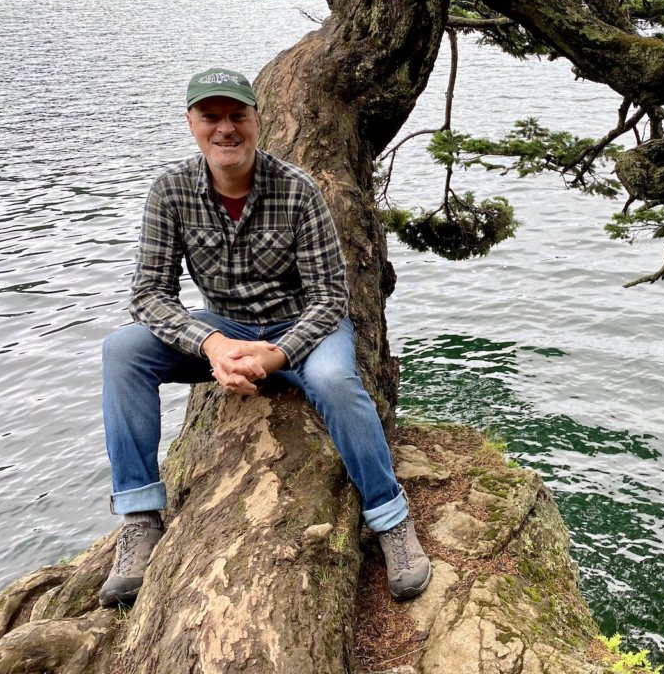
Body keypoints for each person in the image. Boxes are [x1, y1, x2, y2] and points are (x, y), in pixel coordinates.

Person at [98, 67, 431, 607]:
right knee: (122, 351)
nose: (225, 129)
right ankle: (139, 518)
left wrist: (276, 354)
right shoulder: (171, 191)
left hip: (299, 328)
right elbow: (149, 295)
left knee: (333, 378)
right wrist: (213, 346)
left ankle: (391, 519)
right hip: (224, 327)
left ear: (258, 121)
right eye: (211, 117)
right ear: (192, 124)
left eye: (237, 116)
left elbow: (329, 298)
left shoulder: (298, 191)